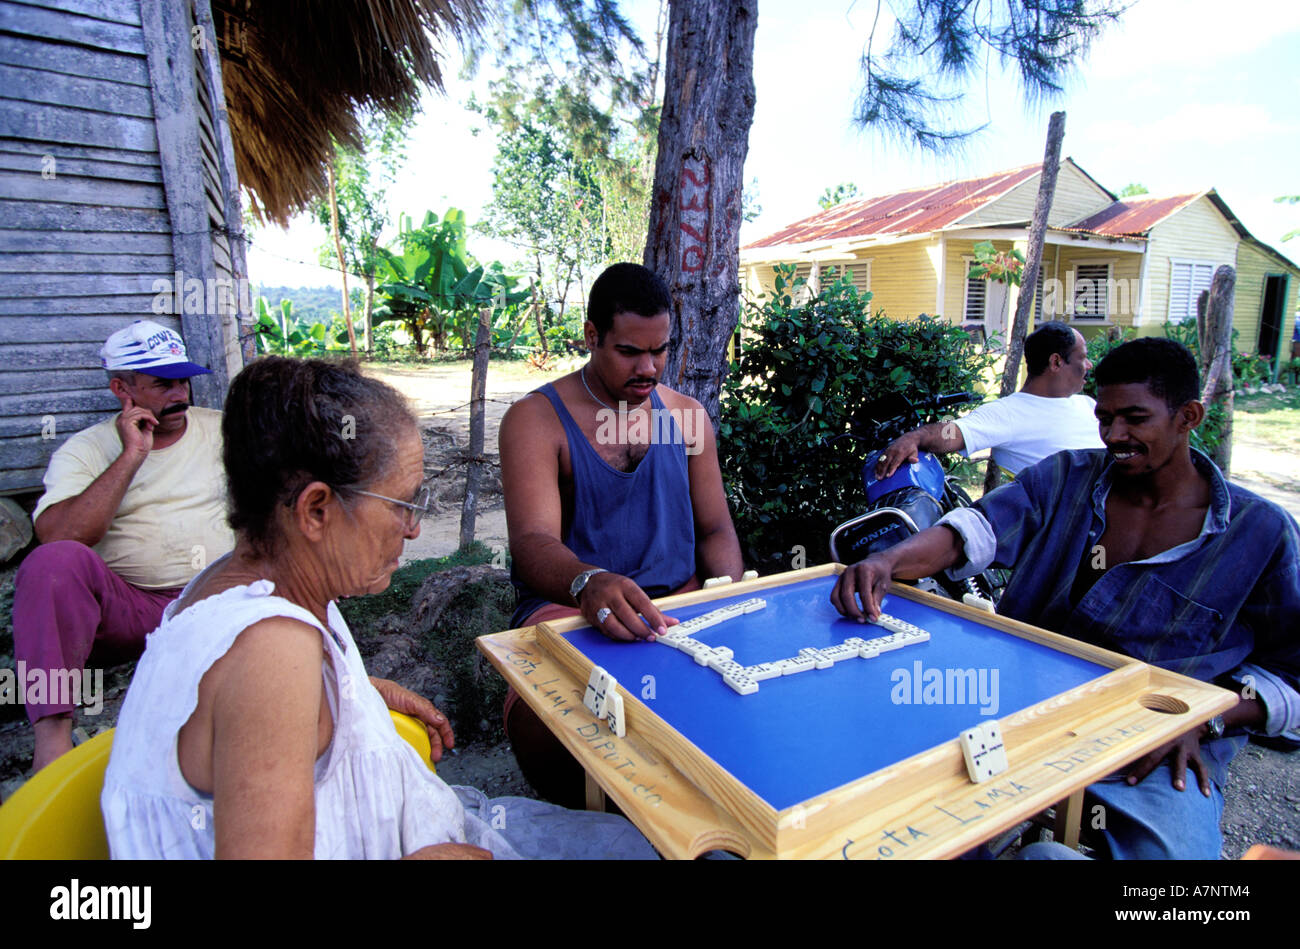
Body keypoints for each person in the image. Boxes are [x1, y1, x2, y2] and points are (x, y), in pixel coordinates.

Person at [100, 357, 657, 859]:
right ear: (316, 510)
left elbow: (240, 725)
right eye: (403, 503)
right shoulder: (270, 652)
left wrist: (352, 690)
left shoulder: (244, 585)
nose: (415, 529)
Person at [832, 337, 1300, 859]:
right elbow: (972, 531)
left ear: (1188, 415)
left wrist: (1203, 718)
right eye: (1104, 418)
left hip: (1158, 746)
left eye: (1134, 419)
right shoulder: (1064, 477)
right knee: (909, 824)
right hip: (1018, 708)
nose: (1114, 435)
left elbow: (1291, 677)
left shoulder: (1262, 533)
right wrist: (887, 562)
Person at [498, 262, 744, 804]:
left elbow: (715, 528)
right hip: (565, 605)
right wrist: (589, 583)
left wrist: (731, 603)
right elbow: (533, 546)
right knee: (561, 745)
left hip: (676, 602)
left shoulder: (687, 417)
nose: (650, 367)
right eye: (630, 351)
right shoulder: (534, 420)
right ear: (592, 336)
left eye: (660, 350)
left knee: (725, 729)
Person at [13, 320, 233, 773]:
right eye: (162, 384)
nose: (180, 395)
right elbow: (60, 534)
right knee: (51, 564)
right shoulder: (85, 451)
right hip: (135, 609)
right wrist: (132, 455)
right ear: (121, 388)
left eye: (183, 381)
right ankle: (52, 743)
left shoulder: (226, 431)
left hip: (227, 595)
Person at [875, 322, 1103, 480]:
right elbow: (954, 432)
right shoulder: (1009, 413)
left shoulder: (1088, 405)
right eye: (1082, 357)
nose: (1089, 365)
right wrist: (914, 437)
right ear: (1056, 362)